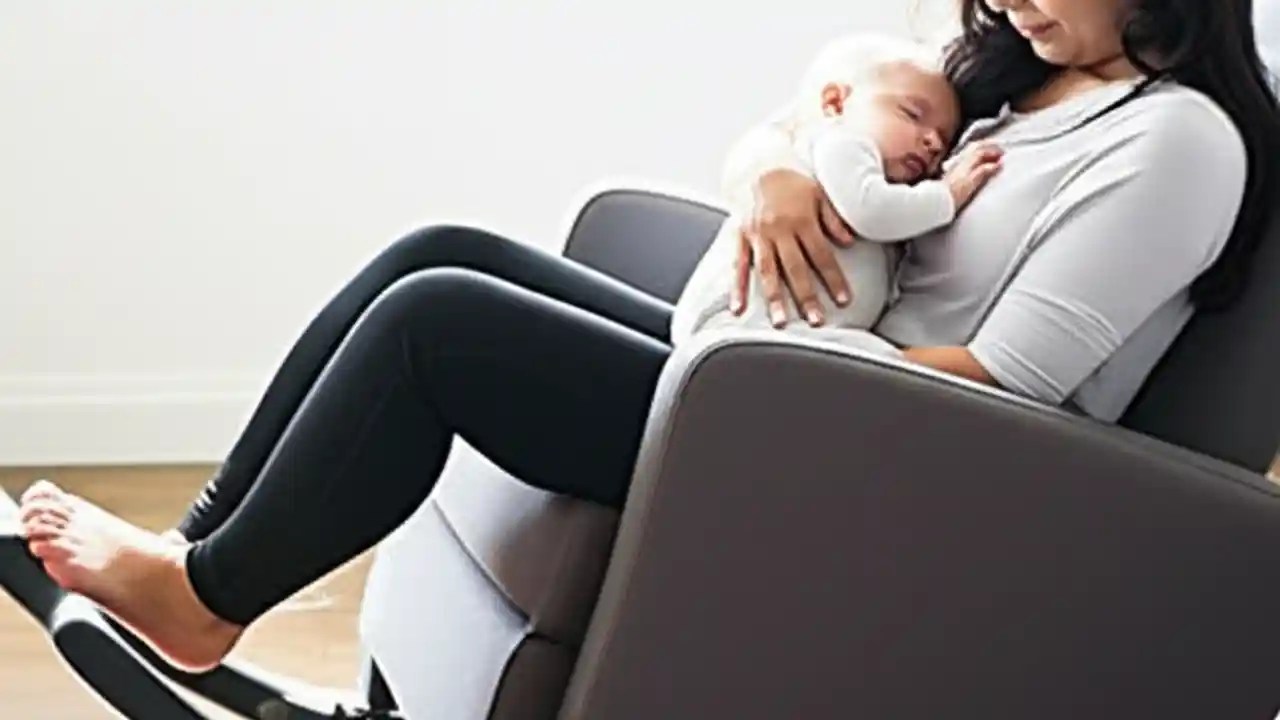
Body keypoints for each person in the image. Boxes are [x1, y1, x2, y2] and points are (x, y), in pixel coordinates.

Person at [13, 0, 1280, 678]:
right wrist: (775, 177)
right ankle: (201, 552)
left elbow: (1013, 389)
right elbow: (808, 126)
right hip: (796, 388)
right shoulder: (1017, 69)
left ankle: (204, 603)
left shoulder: (1172, 143)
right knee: (440, 252)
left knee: (436, 328)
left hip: (878, 453)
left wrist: (777, 382)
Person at [672, 33, 1002, 345]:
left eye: (943, 143)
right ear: (835, 103)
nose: (932, 142)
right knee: (875, 356)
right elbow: (872, 211)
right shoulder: (842, 143)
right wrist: (949, 193)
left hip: (795, 330)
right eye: (912, 114)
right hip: (749, 321)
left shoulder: (886, 182)